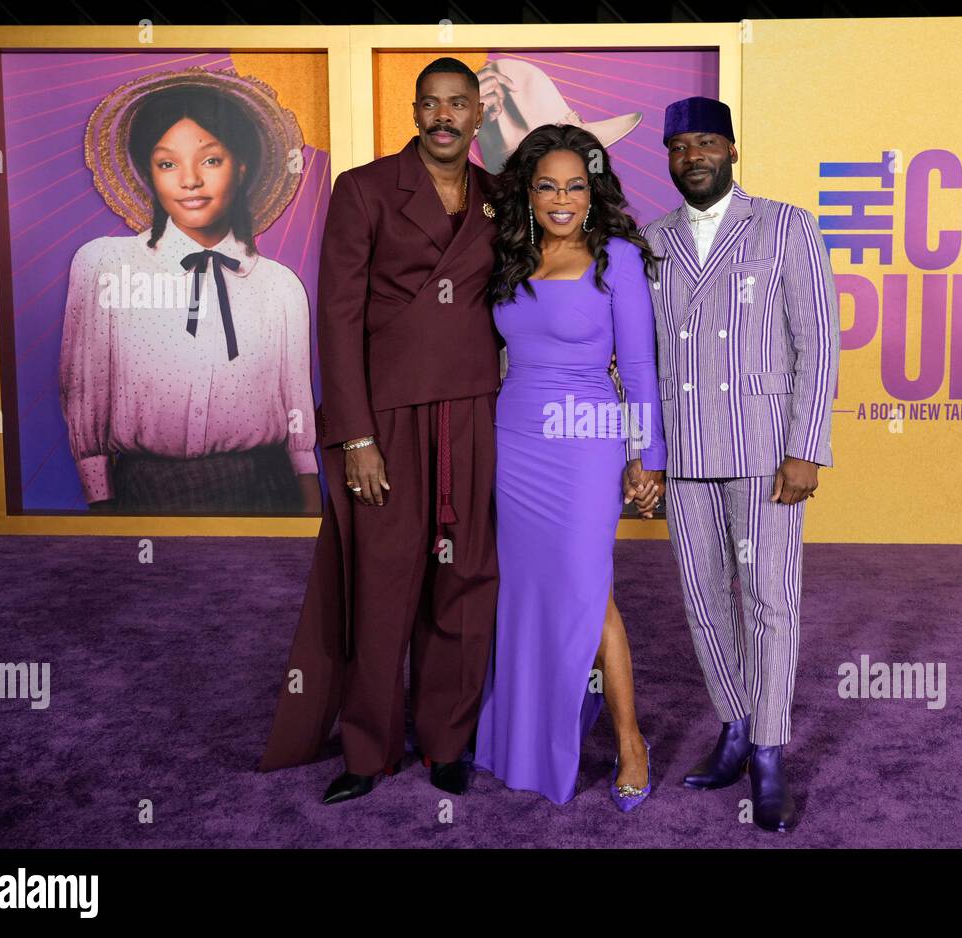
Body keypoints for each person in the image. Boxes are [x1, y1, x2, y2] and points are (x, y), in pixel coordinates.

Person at [258, 57, 501, 802]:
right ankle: (366, 750)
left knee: (463, 580)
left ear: (477, 115)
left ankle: (446, 743)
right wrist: (354, 437)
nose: (443, 116)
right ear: (416, 110)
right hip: (386, 420)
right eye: (430, 103)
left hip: (472, 411)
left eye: (457, 104)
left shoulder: (502, 198)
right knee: (382, 581)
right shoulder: (363, 188)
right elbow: (336, 316)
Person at [641, 96, 840, 832]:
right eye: (679, 146)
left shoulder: (786, 224)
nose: (692, 156)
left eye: (706, 143)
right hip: (687, 449)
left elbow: (817, 341)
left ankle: (768, 750)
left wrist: (806, 446)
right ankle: (731, 722)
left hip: (765, 449)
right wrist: (647, 453)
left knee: (770, 600)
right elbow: (643, 354)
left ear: (732, 150)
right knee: (702, 598)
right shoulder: (650, 239)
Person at [472, 123, 666, 809]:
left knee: (590, 594)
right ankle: (521, 734)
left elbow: (640, 368)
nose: (562, 198)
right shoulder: (508, 259)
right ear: (528, 191)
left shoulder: (615, 258)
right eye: (548, 185)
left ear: (594, 192)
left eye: (575, 186)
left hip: (587, 442)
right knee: (526, 592)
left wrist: (650, 458)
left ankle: (631, 744)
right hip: (516, 439)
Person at [62, 70, 318, 514]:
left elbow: (298, 427)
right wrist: (102, 507)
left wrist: (313, 521)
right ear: (149, 173)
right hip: (148, 490)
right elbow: (85, 394)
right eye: (167, 163)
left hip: (265, 490)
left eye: (210, 160)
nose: (189, 181)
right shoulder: (105, 265)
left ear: (241, 166)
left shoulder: (280, 287)